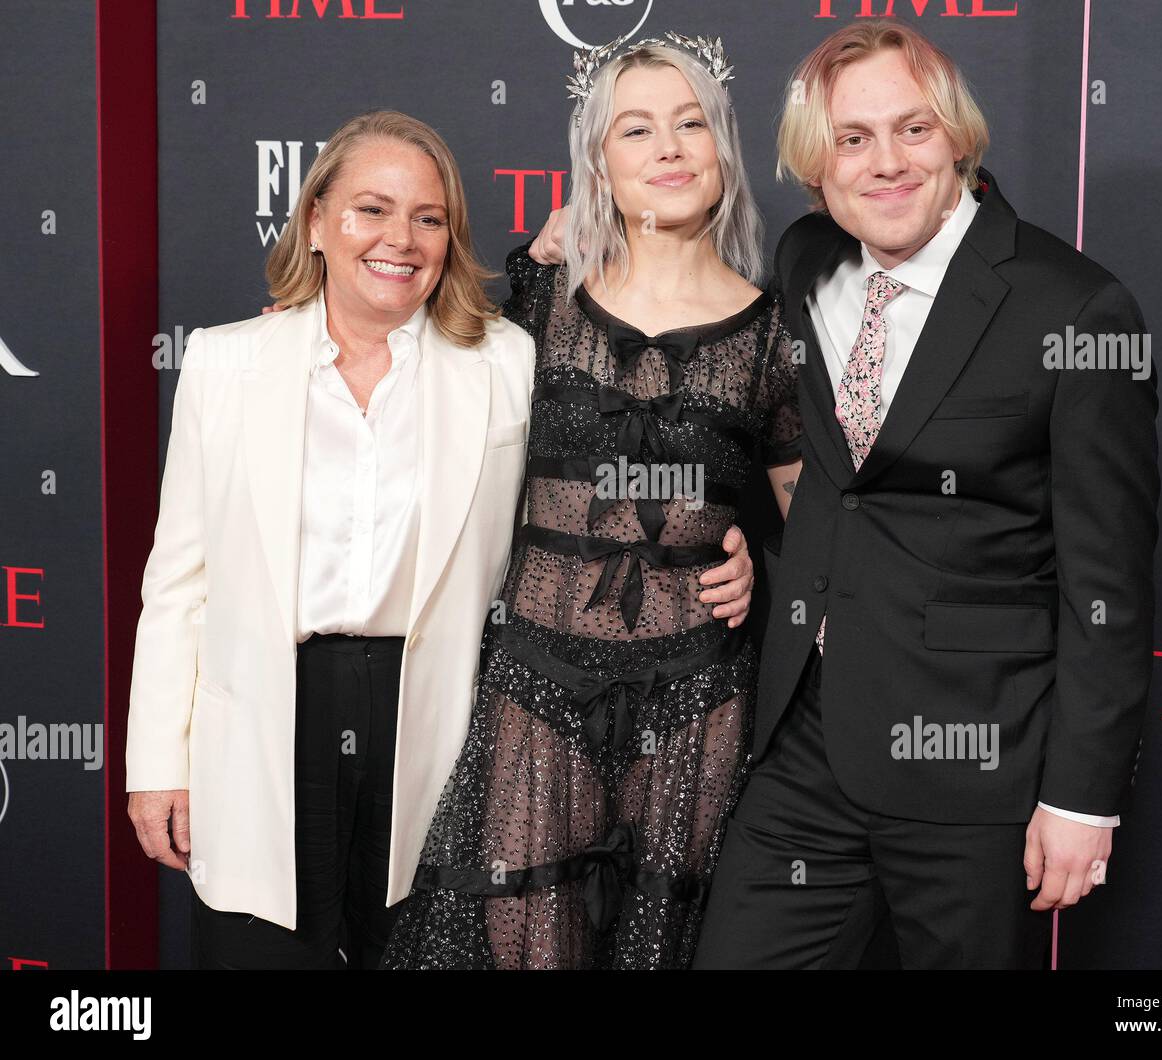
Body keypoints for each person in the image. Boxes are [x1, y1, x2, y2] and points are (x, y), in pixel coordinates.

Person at [690, 22, 1159, 969]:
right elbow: (805, 462)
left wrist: (1081, 798)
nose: (887, 163)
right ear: (817, 164)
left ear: (958, 138)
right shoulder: (806, 260)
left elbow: (1109, 581)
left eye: (913, 130)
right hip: (806, 745)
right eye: (853, 139)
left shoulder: (1075, 309)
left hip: (975, 771)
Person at [379, 33, 803, 969]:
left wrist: (759, 574)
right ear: (597, 165)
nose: (669, 148)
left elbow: (823, 534)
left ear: (724, 149)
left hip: (701, 698)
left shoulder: (777, 334)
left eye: (692, 123)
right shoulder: (536, 300)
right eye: (637, 129)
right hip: (534, 688)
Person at [124, 110, 538, 969]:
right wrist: (156, 762)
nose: (402, 239)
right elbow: (178, 582)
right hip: (266, 724)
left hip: (434, 723)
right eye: (371, 210)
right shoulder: (225, 363)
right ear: (316, 221)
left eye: (429, 218)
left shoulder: (506, 364)